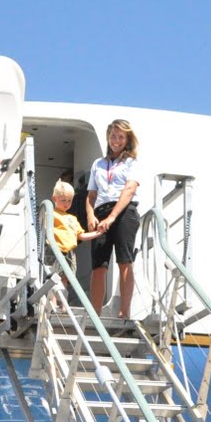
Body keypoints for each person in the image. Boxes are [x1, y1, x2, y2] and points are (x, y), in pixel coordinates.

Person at [86, 118, 144, 319]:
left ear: (127, 139)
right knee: (99, 265)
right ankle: (95, 313)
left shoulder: (131, 163)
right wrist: (90, 215)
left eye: (120, 136)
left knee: (124, 262)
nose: (116, 140)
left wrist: (112, 217)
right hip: (101, 212)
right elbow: (91, 195)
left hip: (124, 212)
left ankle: (123, 312)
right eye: (113, 136)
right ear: (108, 138)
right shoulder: (98, 164)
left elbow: (129, 190)